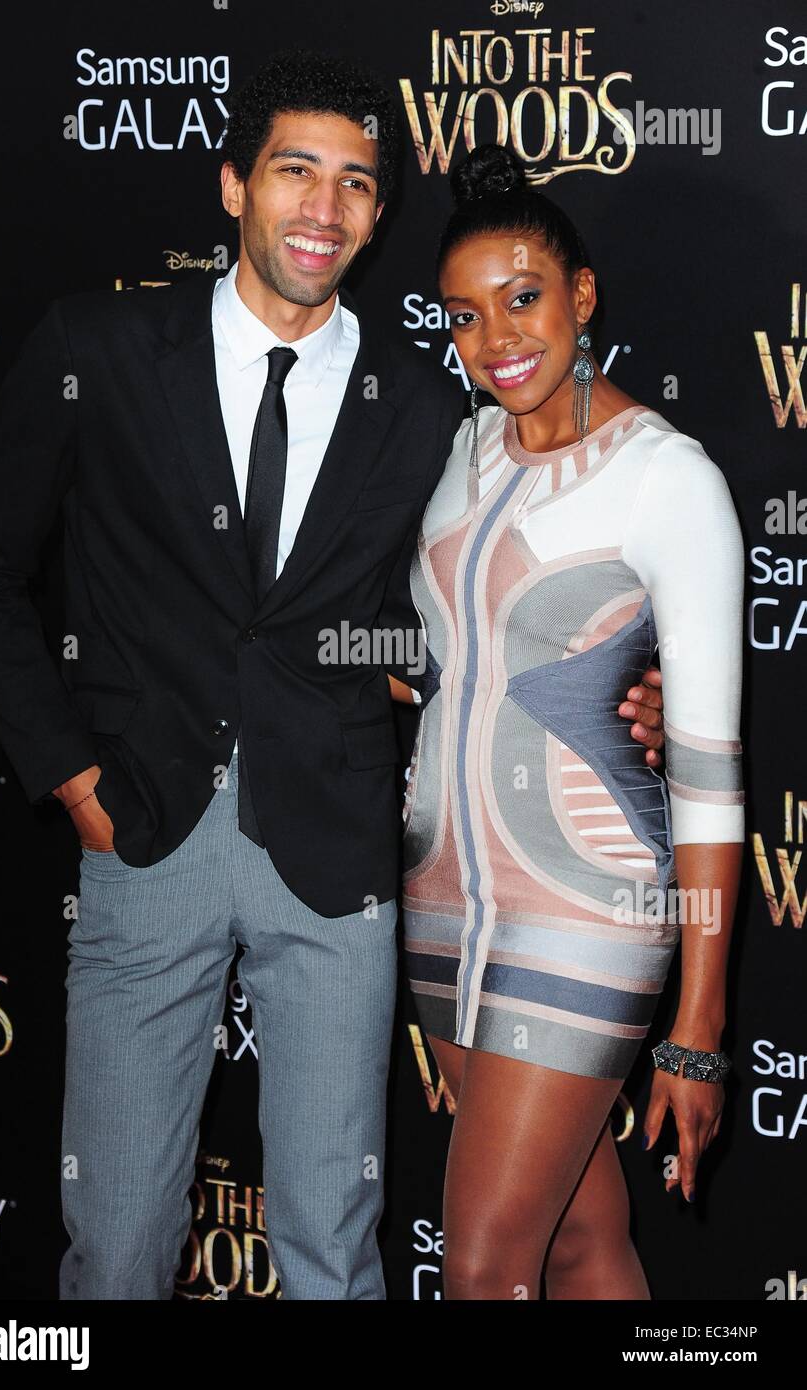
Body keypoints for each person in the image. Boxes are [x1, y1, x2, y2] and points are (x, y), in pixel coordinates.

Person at [0, 59, 666, 1301]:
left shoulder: (426, 408)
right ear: (233, 185)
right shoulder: (99, 346)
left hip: (335, 858)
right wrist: (72, 780)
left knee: (335, 1247)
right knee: (114, 1248)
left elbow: (436, 627)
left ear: (378, 216)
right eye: (293, 171)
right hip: (144, 836)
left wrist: (604, 695)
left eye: (353, 184)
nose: (322, 208)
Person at [391, 145, 744, 1300]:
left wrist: (694, 1026)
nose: (495, 337)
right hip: (441, 908)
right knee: (582, 1240)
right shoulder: (465, 446)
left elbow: (702, 772)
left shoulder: (668, 478)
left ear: (581, 294)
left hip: (587, 906)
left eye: (523, 297)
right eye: (462, 314)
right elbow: (452, 660)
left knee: (482, 1269)